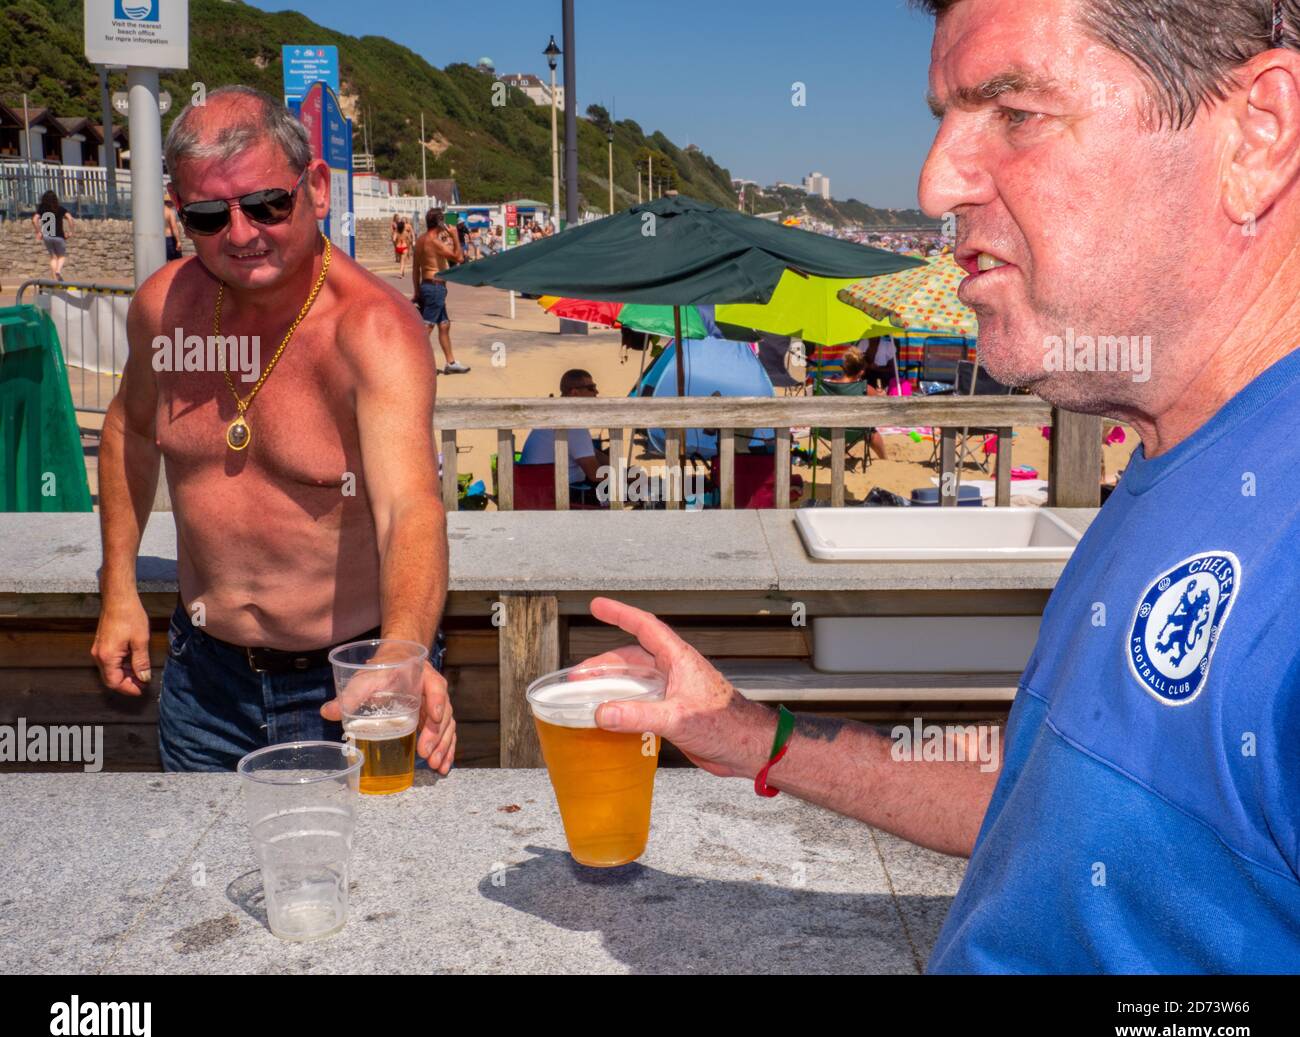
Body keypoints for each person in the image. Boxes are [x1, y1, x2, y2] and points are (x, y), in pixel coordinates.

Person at [574, 0, 1300, 973]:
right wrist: (754, 733)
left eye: (1017, 113)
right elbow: (1050, 788)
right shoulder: (1179, 456)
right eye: (944, 119)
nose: (932, 182)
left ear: (1258, 132)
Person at [91, 84, 455, 775]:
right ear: (178, 213)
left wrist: (403, 651)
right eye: (207, 215)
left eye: (267, 204)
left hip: (351, 679)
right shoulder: (163, 310)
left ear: (314, 186)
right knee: (202, 882)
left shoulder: (372, 332)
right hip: (204, 685)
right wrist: (118, 588)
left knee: (371, 879)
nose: (241, 233)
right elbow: (130, 432)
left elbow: (411, 508)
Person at [518, 369, 609, 506]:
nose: (597, 392)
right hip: (563, 494)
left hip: (536, 490)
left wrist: (619, 468)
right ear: (574, 393)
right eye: (591, 388)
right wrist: (626, 477)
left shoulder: (555, 413)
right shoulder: (572, 423)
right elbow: (595, 474)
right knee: (633, 490)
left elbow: (589, 452)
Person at [412, 208, 470, 374]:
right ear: (440, 223)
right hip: (436, 287)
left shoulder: (421, 240)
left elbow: (416, 269)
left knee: (444, 325)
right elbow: (459, 258)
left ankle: (450, 363)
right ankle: (415, 363)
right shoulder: (434, 241)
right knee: (427, 327)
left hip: (427, 285)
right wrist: (455, 236)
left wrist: (417, 291)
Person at [823, 351, 888, 460]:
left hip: (825, 430)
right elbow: (882, 405)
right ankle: (884, 459)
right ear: (861, 372)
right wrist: (883, 395)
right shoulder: (866, 389)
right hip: (856, 432)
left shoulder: (827, 384)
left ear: (843, 367)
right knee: (872, 432)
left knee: (840, 419)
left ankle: (838, 453)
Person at [32, 190, 73, 280]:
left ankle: (55, 279)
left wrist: (38, 232)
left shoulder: (42, 209)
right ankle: (58, 271)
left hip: (47, 236)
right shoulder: (60, 208)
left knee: (53, 257)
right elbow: (70, 218)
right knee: (61, 256)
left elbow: (35, 220)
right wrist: (70, 231)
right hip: (59, 236)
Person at [163, 195, 184, 261]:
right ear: (170, 202)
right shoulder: (170, 212)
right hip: (170, 240)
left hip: (159, 240)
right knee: (177, 262)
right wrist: (178, 241)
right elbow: (174, 227)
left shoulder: (156, 212)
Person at [392, 213, 411, 277]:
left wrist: (396, 242)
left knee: (401, 261)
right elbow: (409, 239)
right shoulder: (405, 232)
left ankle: (402, 272)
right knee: (403, 261)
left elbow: (394, 239)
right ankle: (400, 272)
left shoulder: (396, 232)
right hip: (404, 247)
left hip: (398, 247)